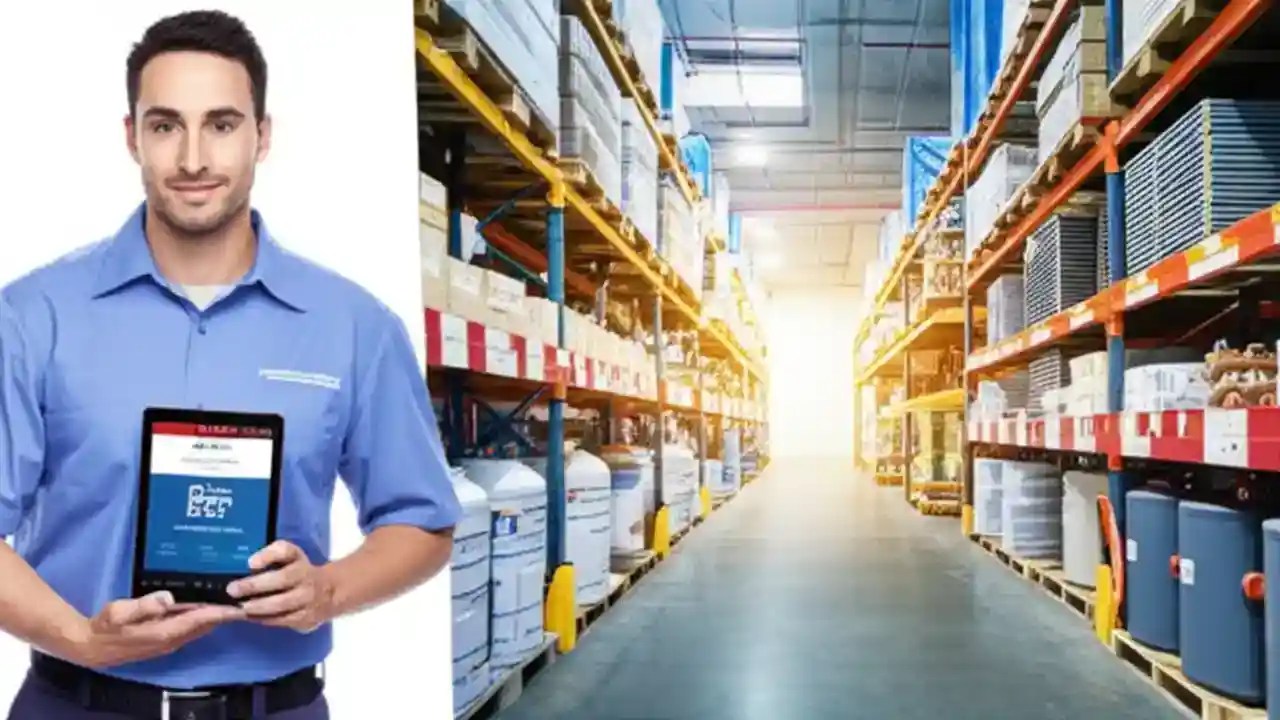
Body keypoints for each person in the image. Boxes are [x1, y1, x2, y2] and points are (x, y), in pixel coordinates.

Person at [0, 9, 461, 719]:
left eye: (221, 123)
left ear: (262, 135)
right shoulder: (33, 317)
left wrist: (329, 590)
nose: (192, 158)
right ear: (131, 136)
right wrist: (81, 637)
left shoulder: (354, 327)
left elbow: (423, 523)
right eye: (164, 125)